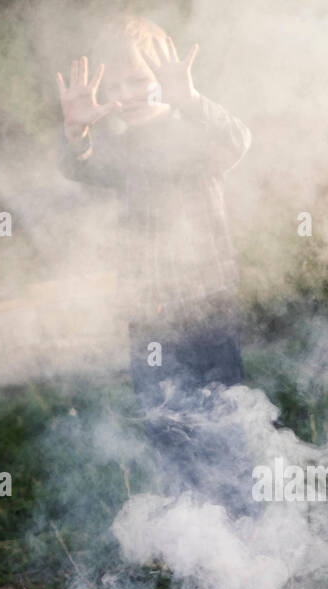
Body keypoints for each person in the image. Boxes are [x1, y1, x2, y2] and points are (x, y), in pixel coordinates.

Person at [55, 14, 252, 504]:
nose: (131, 94)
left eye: (141, 80)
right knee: (164, 419)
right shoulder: (121, 146)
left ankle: (242, 516)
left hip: (206, 305)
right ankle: (190, 521)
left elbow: (237, 141)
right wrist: (77, 134)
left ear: (164, 80)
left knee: (222, 415)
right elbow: (80, 169)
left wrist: (187, 98)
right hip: (147, 313)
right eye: (118, 86)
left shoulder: (194, 134)